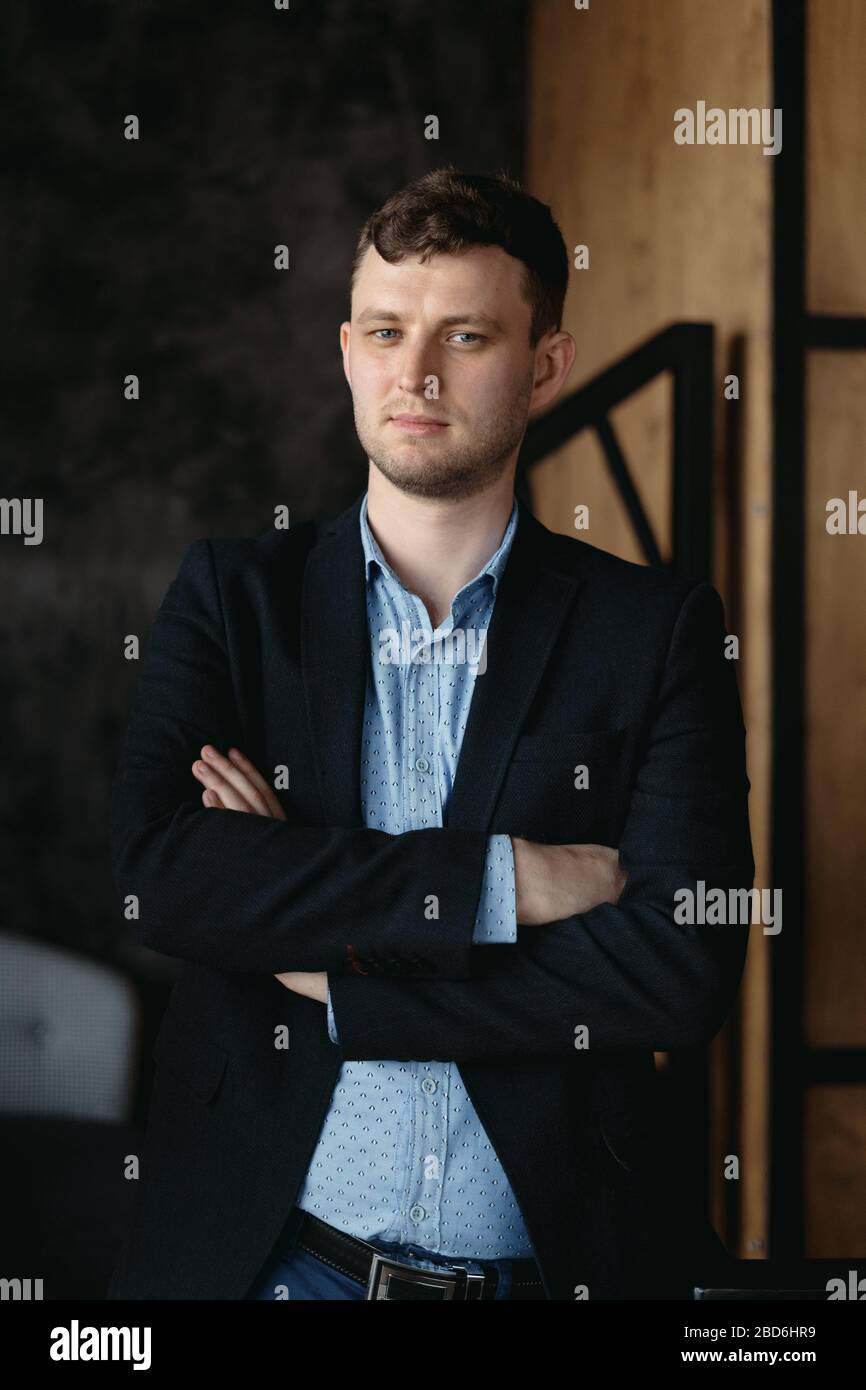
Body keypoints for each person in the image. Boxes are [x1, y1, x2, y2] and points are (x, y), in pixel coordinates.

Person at [106, 167, 754, 1301]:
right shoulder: (232, 597)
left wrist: (332, 967)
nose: (414, 373)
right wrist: (502, 883)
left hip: (556, 1274)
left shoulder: (651, 631)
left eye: (463, 334)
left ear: (544, 365)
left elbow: (677, 967)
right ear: (347, 347)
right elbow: (167, 878)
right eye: (384, 330)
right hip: (271, 1267)